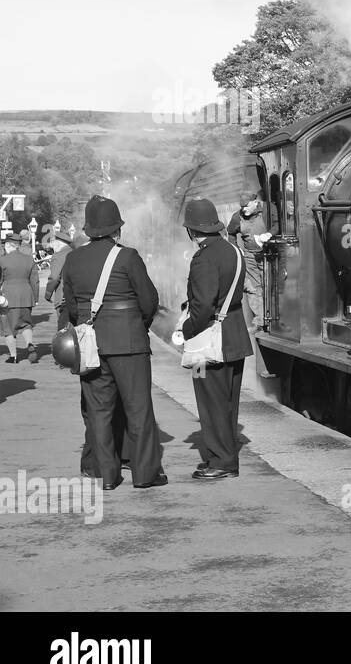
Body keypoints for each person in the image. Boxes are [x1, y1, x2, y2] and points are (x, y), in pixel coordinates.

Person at [62, 195, 166, 489]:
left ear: (88, 229)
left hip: (90, 343)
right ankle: (145, 475)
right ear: (116, 228)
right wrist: (137, 326)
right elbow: (149, 301)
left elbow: (71, 306)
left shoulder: (73, 259)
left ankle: (106, 476)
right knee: (139, 409)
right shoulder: (128, 256)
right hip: (129, 342)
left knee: (97, 410)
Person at [183, 198, 253, 480]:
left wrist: (185, 330)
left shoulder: (204, 258)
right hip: (235, 335)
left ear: (191, 230)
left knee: (209, 400)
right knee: (227, 401)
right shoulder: (233, 251)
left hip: (208, 341)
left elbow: (202, 306)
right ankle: (222, 455)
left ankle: (221, 461)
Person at [226, 190, 271, 333]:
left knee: (270, 285)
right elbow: (231, 233)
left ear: (254, 202)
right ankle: (260, 320)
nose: (244, 209)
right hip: (250, 256)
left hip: (268, 254)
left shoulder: (266, 211)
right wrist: (236, 250)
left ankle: (274, 319)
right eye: (242, 207)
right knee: (253, 288)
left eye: (246, 206)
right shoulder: (237, 217)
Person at [0, 232, 40, 364]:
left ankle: (13, 356)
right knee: (26, 324)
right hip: (26, 296)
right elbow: (35, 281)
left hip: (8, 298)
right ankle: (29, 344)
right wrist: (35, 297)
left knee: (8, 328)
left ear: (8, 245)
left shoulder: (2, 260)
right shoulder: (29, 259)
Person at [44, 231, 75, 328]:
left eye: (52, 244)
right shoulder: (75, 252)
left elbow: (54, 277)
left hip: (63, 298)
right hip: (78, 296)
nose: (52, 248)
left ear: (57, 243)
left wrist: (48, 294)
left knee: (64, 330)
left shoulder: (58, 256)